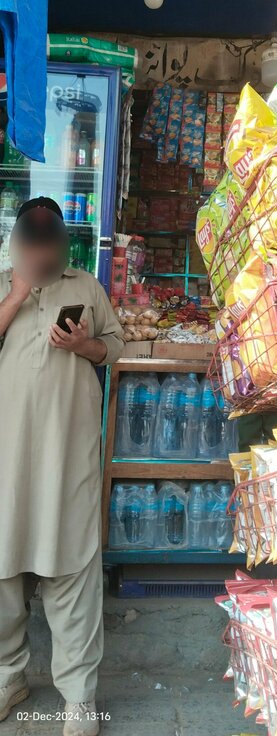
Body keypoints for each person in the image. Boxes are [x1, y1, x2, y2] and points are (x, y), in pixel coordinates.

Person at [0, 198, 124, 736]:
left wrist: (86, 344)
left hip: (69, 458)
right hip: (8, 464)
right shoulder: (4, 283)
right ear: (18, 243)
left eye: (51, 247)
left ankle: (80, 700)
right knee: (3, 577)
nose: (42, 255)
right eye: (34, 246)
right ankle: (9, 678)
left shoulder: (86, 288)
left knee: (73, 573)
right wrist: (18, 295)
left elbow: (115, 348)